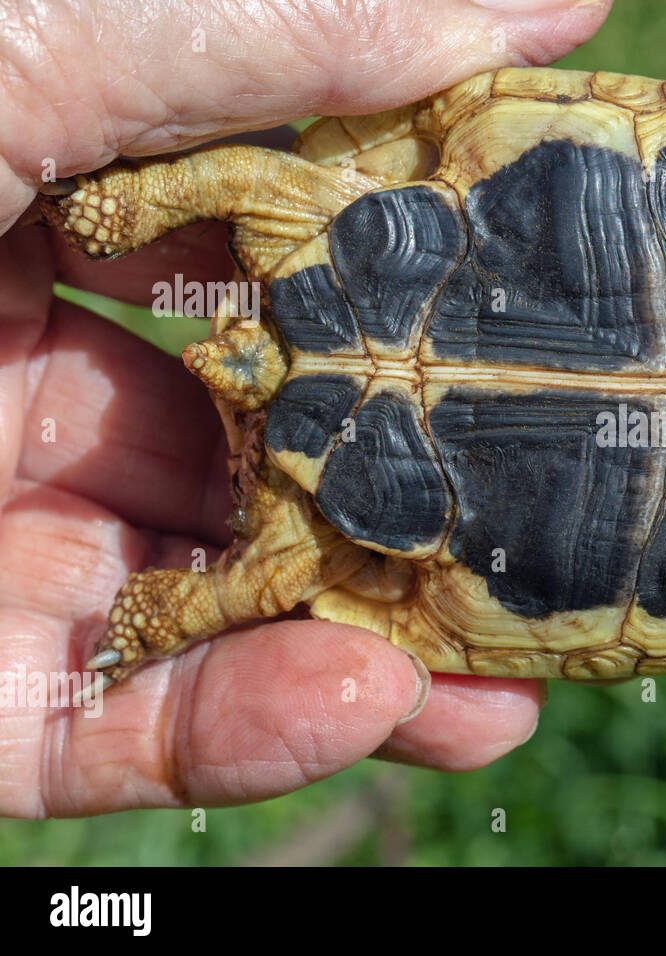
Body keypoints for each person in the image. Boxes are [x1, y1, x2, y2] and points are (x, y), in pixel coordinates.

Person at [0, 0, 611, 818]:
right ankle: (142, 631)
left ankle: (118, 208)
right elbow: (243, 176)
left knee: (260, 593)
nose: (220, 362)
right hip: (340, 480)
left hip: (344, 297)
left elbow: (241, 178)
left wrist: (78, 171)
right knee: (257, 591)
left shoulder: (305, 220)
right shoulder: (305, 223)